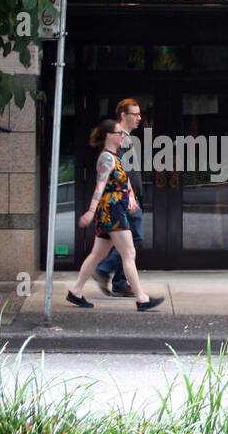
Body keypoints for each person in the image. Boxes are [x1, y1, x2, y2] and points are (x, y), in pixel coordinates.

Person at [66, 118, 165, 311]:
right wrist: (90, 211)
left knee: (97, 255)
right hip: (112, 211)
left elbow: (119, 182)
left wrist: (129, 197)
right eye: (120, 133)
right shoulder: (107, 158)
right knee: (128, 253)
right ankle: (141, 298)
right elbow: (100, 186)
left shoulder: (114, 156)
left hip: (112, 210)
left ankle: (75, 292)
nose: (123, 136)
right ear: (110, 135)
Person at [94, 97, 144, 296]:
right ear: (124, 115)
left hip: (127, 199)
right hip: (123, 200)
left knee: (126, 242)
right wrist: (130, 196)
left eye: (140, 114)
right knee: (135, 237)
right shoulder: (119, 138)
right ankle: (104, 270)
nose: (139, 118)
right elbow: (120, 170)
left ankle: (120, 282)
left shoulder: (128, 138)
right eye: (135, 114)